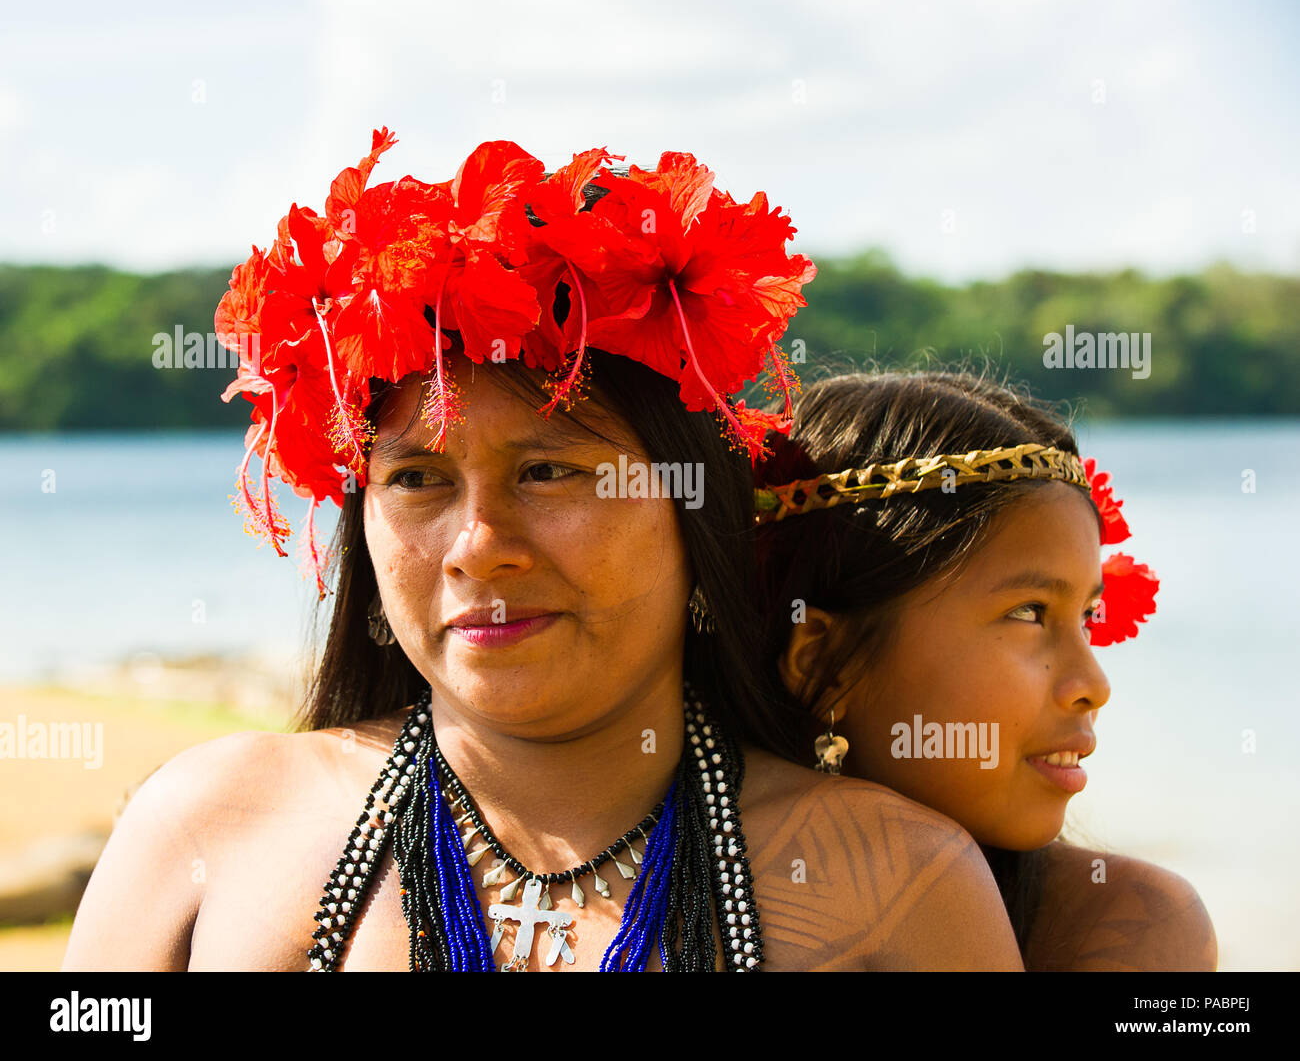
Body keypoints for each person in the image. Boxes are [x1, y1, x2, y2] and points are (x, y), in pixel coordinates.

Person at [62, 134, 1022, 971]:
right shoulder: (207, 828)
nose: (479, 548)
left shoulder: (900, 882)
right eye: (416, 480)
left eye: (552, 473)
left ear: (696, 508)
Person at [753, 368, 1217, 971]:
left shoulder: (1133, 928)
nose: (1095, 686)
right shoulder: (636, 907)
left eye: (1088, 616)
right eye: (1029, 612)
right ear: (820, 656)